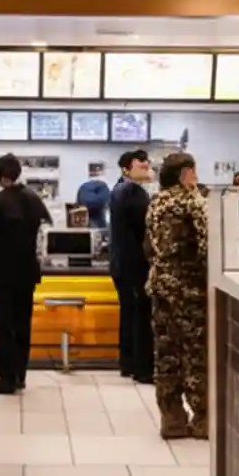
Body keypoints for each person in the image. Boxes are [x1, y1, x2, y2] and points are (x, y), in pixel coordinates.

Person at [0, 153, 52, 395]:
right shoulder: (33, 198)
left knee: (2, 326)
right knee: (21, 324)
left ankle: (5, 379)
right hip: (26, 271)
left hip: (1, 273)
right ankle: (20, 375)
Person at [145, 152, 209, 440]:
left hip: (161, 286)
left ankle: (171, 418)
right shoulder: (192, 201)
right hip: (190, 289)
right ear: (185, 173)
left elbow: (149, 245)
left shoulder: (156, 202)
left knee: (166, 354)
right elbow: (207, 246)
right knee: (195, 354)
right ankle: (203, 419)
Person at [109, 149, 153, 382]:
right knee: (139, 315)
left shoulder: (118, 189)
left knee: (128, 313)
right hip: (134, 264)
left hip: (121, 263)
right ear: (127, 167)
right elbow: (145, 231)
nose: (147, 168)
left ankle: (127, 361)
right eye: (142, 166)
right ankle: (141, 368)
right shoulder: (133, 193)